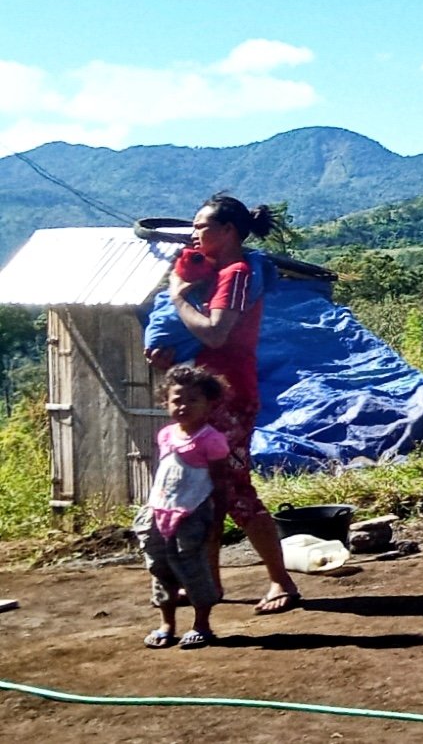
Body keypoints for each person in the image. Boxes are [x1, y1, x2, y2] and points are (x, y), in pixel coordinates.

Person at [145, 194, 302, 615]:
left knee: (234, 490)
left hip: (228, 396)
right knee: (204, 494)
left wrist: (177, 298)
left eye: (201, 226)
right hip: (206, 391)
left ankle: (281, 581)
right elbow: (201, 340)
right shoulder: (213, 273)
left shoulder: (236, 272)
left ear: (227, 230)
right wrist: (170, 354)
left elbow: (216, 334)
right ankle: (207, 583)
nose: (193, 234)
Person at [135, 365, 229, 649]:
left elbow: (221, 483)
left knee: (193, 568)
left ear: (209, 404)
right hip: (158, 511)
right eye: (177, 399)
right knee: (160, 568)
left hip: (192, 514)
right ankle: (167, 623)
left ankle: (202, 624)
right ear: (166, 401)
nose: (183, 406)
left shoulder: (212, 440)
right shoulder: (166, 435)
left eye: (192, 400)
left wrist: (217, 522)